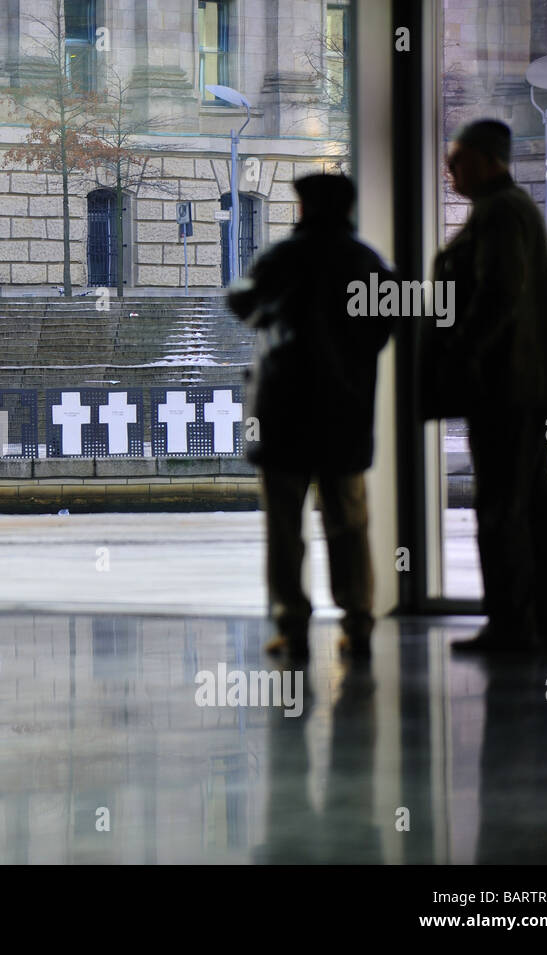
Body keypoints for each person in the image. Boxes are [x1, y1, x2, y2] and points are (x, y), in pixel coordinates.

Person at [422, 119, 547, 656]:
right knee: (530, 504)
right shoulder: (507, 210)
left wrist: (459, 353)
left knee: (502, 506)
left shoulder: (499, 213)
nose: (450, 170)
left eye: (459, 160)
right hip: (525, 382)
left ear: (489, 160)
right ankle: (542, 625)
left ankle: (513, 626)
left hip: (509, 386)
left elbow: (497, 294)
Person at [227, 174, 392, 660]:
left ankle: (293, 624)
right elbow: (385, 326)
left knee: (284, 526)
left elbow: (243, 301)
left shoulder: (284, 257)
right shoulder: (364, 261)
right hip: (345, 409)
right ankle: (357, 621)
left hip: (284, 411)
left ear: (304, 208)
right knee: (348, 522)